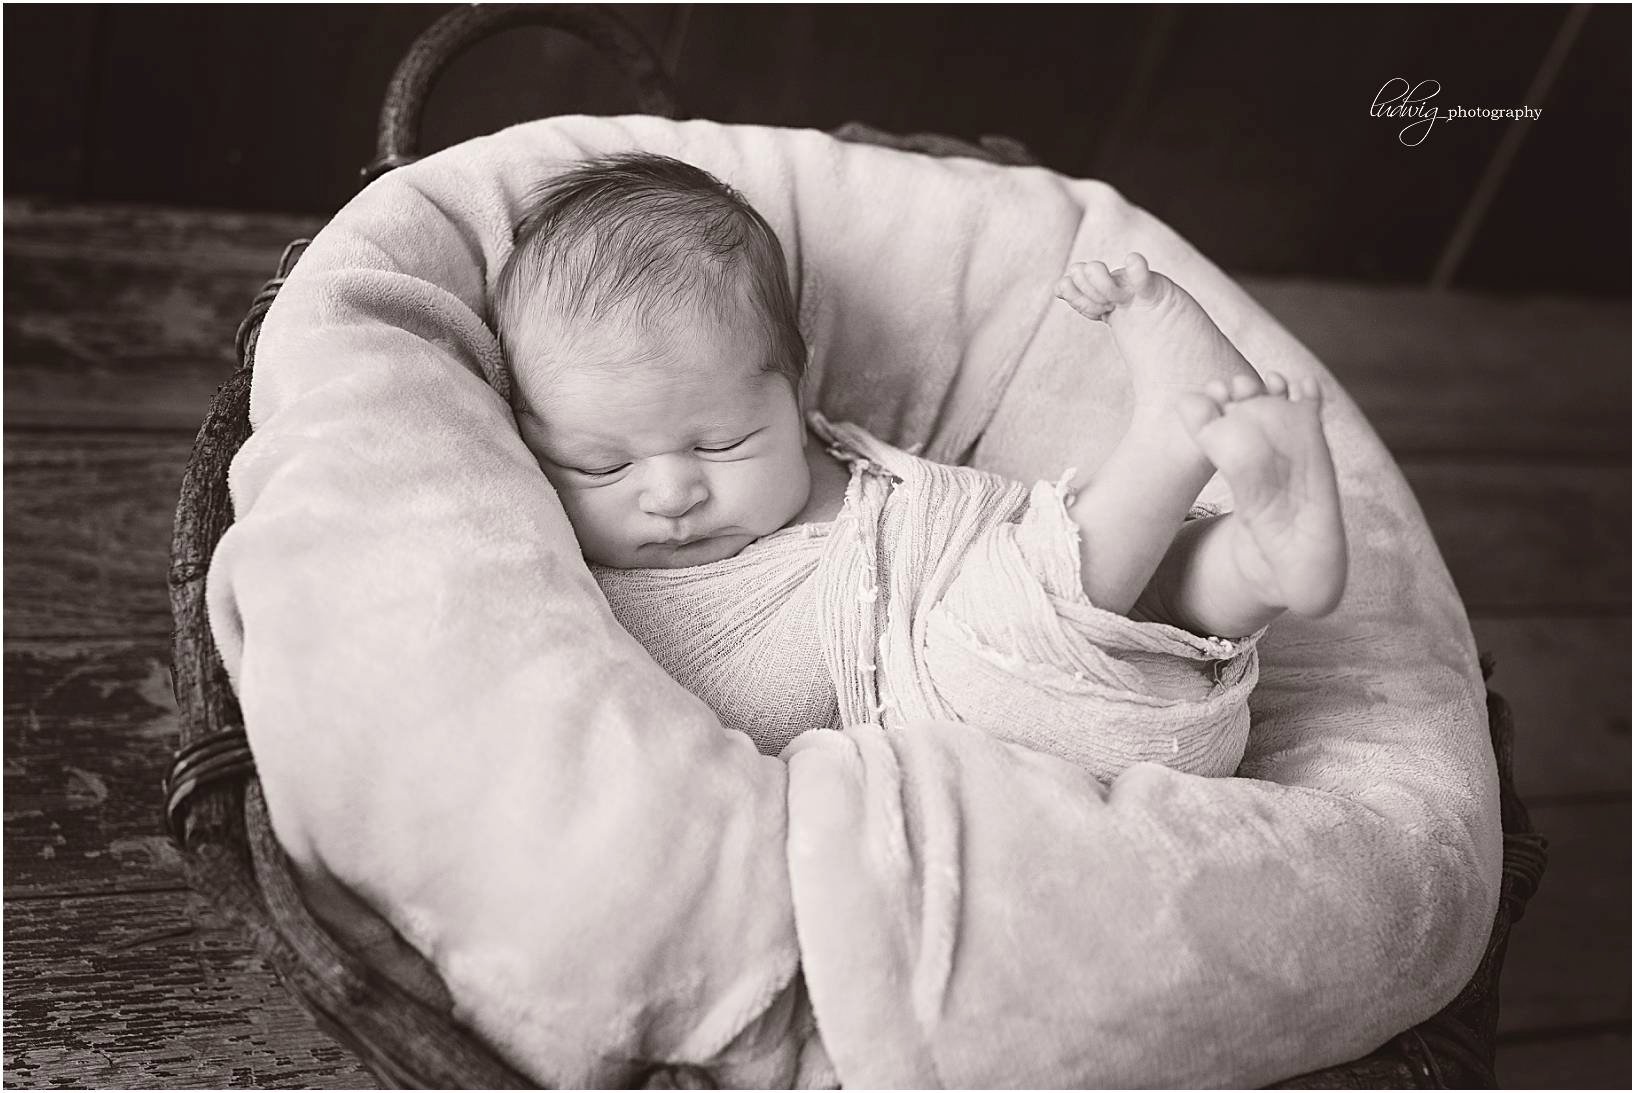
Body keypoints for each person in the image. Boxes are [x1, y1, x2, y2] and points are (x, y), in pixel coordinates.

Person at [491, 152, 1347, 771]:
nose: (673, 491)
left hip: (1134, 673)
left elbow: (971, 523)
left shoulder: (837, 451)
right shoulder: (592, 600)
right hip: (1001, 722)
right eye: (600, 466)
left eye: (720, 443)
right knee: (1008, 611)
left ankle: (1259, 559)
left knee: (1121, 568)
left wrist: (1004, 547)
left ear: (795, 395)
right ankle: (1171, 437)